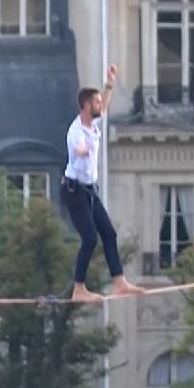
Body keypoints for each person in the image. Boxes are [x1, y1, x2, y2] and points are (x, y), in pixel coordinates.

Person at [61, 64, 144, 303]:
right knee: (89, 238)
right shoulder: (76, 132)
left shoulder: (93, 123)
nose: (100, 105)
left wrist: (109, 85)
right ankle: (79, 289)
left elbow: (105, 106)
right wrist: (84, 149)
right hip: (74, 191)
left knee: (109, 233)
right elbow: (76, 149)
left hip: (88, 191)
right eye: (96, 102)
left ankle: (119, 282)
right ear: (86, 106)